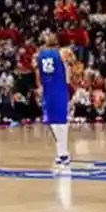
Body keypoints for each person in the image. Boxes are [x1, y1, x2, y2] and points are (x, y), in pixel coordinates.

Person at [36, 32, 73, 167]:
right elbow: (69, 70)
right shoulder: (62, 53)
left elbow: (38, 73)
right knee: (61, 122)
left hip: (48, 89)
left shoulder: (40, 55)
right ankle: (63, 153)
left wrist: (40, 87)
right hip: (59, 89)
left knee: (53, 122)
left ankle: (61, 152)